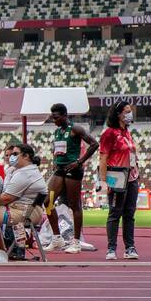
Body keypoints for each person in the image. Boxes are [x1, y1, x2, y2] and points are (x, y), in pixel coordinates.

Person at [0, 143, 48, 262]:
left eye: (15, 154)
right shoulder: (24, 171)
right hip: (28, 210)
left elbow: (6, 198)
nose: (11, 157)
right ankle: (2, 251)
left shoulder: (24, 174)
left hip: (26, 213)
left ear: (26, 156)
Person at [45, 103, 100, 253]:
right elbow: (57, 150)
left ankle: (76, 242)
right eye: (52, 117)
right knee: (47, 201)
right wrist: (54, 162)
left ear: (64, 115)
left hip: (72, 171)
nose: (53, 120)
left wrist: (79, 162)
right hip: (60, 170)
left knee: (74, 205)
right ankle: (57, 238)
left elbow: (94, 144)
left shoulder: (75, 128)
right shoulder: (57, 131)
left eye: (56, 117)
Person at [99, 101, 140, 260]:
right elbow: (103, 158)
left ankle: (130, 247)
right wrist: (104, 182)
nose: (130, 114)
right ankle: (111, 248)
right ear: (118, 114)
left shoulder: (127, 132)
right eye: (127, 111)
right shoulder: (109, 133)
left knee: (129, 214)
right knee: (115, 213)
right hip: (116, 177)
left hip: (132, 177)